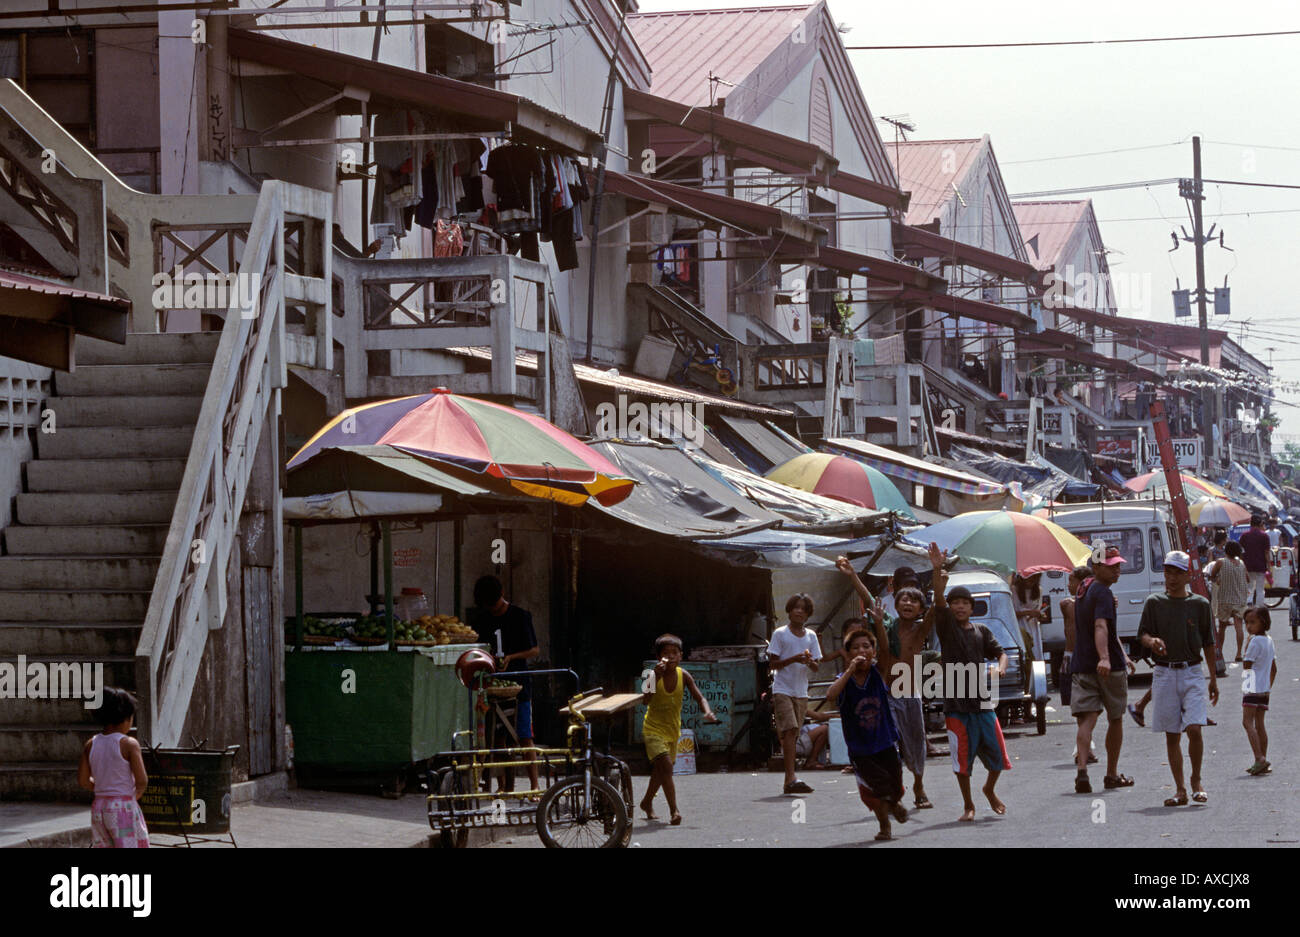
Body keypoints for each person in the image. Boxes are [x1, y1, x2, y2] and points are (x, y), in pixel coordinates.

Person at [837, 556, 934, 809]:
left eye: (914, 600)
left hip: (909, 692)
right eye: (903, 599)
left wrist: (937, 572)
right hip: (886, 692)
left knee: (916, 742)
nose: (908, 603)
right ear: (896, 603)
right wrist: (852, 575)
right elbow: (869, 599)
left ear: (921, 608)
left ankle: (919, 784)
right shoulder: (886, 623)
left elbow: (939, 608)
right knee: (889, 742)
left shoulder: (920, 630)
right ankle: (890, 789)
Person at [927, 543, 1011, 822]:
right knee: (962, 762)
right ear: (950, 608)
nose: (959, 606)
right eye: (955, 603)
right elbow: (938, 600)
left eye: (964, 603)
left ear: (972, 608)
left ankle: (989, 789)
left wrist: (999, 668)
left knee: (998, 755)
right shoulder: (947, 627)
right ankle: (968, 804)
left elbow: (1001, 653)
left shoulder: (982, 631)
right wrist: (938, 568)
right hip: (956, 706)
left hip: (984, 702)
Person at [1137, 551, 1219, 807]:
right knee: (1172, 734)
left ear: (1187, 575)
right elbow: (1143, 635)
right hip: (1164, 672)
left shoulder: (1200, 605)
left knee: (1194, 728)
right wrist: (1152, 642)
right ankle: (1180, 789)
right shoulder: (1154, 602)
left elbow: (1208, 643)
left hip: (1193, 671)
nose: (1171, 578)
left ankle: (1196, 780)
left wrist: (1213, 678)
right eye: (1168, 572)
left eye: (1177, 573)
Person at [823, 626, 909, 841]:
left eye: (866, 646)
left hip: (885, 740)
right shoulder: (844, 679)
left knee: (894, 784)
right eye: (855, 647)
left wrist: (879, 624)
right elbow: (831, 694)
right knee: (876, 788)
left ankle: (894, 802)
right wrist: (850, 670)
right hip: (860, 747)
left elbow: (886, 648)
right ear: (848, 653)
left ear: (873, 651)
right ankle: (884, 825)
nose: (861, 651)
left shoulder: (878, 672)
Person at [1070, 547, 1136, 793]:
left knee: (1087, 720)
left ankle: (1082, 772)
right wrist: (1106, 658)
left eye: (1118, 565)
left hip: (1082, 665)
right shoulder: (1103, 593)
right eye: (1111, 565)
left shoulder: (1083, 588)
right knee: (1115, 717)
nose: (1117, 569)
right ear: (1096, 567)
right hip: (1107, 666)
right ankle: (1111, 774)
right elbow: (1101, 626)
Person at [639, 634, 719, 824]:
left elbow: (700, 698)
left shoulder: (684, 675)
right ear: (659, 658)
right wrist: (655, 676)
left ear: (681, 656)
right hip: (653, 729)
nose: (671, 657)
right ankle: (674, 811)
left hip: (672, 730)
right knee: (666, 767)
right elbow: (645, 700)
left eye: (675, 653)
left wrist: (707, 712)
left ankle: (646, 802)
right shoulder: (651, 675)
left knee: (661, 771)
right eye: (666, 653)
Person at [472, 574, 540, 793]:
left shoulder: (521, 616)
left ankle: (534, 786)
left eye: (494, 605)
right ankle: (503, 786)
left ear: (502, 596)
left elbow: (534, 649)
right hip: (493, 685)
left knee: (524, 736)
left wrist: (511, 657)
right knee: (498, 737)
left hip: (519, 685)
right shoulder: (482, 619)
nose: (492, 609)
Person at [77, 687, 150, 848]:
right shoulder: (129, 744)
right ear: (126, 718)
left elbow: (83, 780)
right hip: (123, 806)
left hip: (99, 807)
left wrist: (103, 788)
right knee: (130, 844)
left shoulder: (91, 744)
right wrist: (134, 794)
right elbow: (142, 780)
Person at [769, 593, 822, 794]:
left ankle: (788, 780)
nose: (799, 611)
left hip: (801, 691)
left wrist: (808, 661)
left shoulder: (811, 636)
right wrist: (793, 659)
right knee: (790, 729)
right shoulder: (780, 634)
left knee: (793, 733)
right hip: (782, 688)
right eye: (796, 607)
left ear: (808, 613)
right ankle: (791, 777)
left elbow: (817, 665)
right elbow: (773, 664)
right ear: (789, 611)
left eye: (803, 608)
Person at [1240, 607, 1277, 776]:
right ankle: (1263, 759)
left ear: (1263, 621)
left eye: (1252, 622)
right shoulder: (1269, 640)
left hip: (1252, 686)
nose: (1248, 626)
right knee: (1260, 724)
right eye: (1246, 622)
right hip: (1264, 689)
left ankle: (1259, 758)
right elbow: (1274, 668)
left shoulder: (1254, 642)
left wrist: (1248, 686)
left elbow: (1247, 664)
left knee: (1247, 722)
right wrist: (1267, 686)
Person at [1205, 540, 1249, 663]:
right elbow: (1247, 578)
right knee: (1238, 626)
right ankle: (1239, 653)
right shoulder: (1241, 563)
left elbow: (1211, 576)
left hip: (1225, 599)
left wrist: (1218, 580)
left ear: (1226, 550)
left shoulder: (1221, 562)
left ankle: (1220, 653)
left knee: (1222, 628)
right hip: (1239, 599)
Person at [1239, 515, 1271, 606]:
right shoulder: (1264, 536)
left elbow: (1240, 551)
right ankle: (1259, 607)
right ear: (1260, 523)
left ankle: (1249, 604)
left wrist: (1242, 564)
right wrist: (1269, 566)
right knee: (1260, 589)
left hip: (1248, 565)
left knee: (1249, 587)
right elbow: (1266, 553)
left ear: (1250, 523)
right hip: (1261, 566)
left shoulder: (1244, 535)